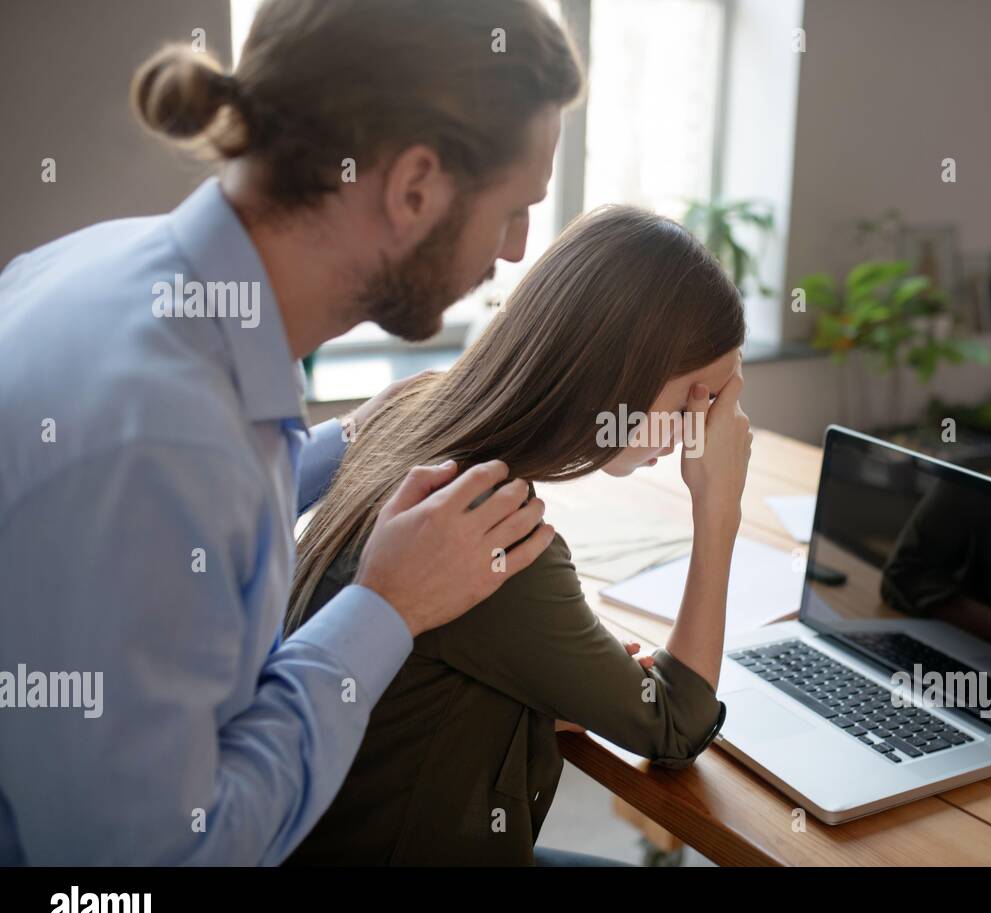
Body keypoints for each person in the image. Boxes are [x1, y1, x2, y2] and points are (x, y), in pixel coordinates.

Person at [0, 0, 582, 864]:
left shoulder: (107, 267)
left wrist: (347, 444)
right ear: (414, 187)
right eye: (513, 210)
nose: (515, 250)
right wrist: (386, 608)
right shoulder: (161, 446)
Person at [284, 205, 752, 865]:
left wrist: (549, 673)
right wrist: (719, 505)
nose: (695, 432)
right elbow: (675, 724)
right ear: (621, 373)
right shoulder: (487, 531)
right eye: (690, 404)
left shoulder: (406, 409)